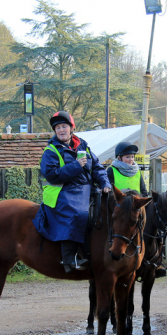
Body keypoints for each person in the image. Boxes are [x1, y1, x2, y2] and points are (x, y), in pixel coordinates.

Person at [33, 111, 112, 273]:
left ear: (71, 129)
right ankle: (69, 258)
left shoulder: (83, 146)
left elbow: (97, 167)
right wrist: (76, 165)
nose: (61, 130)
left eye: (64, 126)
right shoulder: (51, 151)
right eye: (58, 128)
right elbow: (52, 175)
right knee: (77, 213)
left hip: (87, 190)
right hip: (63, 191)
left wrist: (105, 183)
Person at [107, 142, 166, 277]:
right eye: (127, 157)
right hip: (119, 209)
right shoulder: (111, 170)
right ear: (119, 158)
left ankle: (157, 260)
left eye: (132, 157)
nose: (131, 160)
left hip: (135, 209)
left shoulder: (137, 171)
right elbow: (110, 192)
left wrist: (142, 202)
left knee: (156, 222)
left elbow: (143, 191)